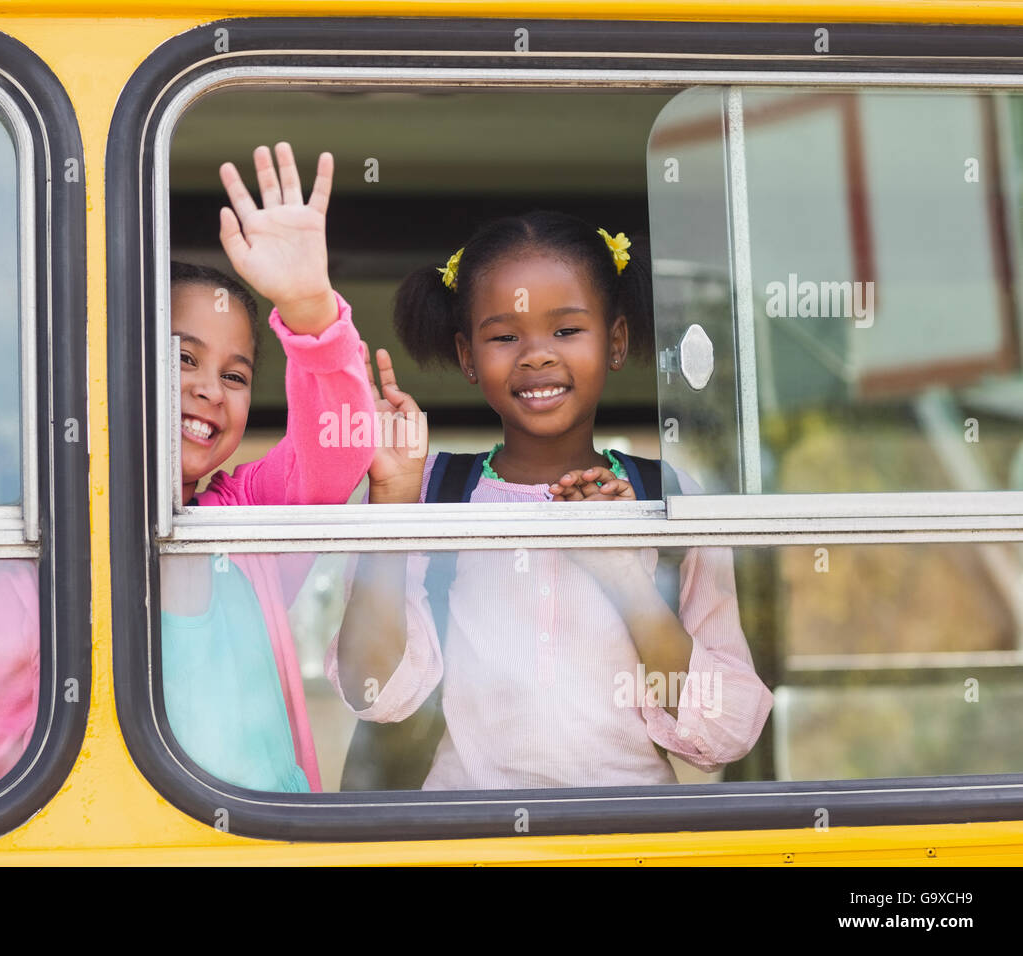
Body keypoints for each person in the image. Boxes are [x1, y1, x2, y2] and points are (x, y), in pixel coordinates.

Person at [0, 143, 374, 796]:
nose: (208, 390)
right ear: (118, 364)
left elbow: (339, 447)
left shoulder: (251, 521)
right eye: (182, 359)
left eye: (234, 376)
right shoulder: (38, 570)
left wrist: (310, 306)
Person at [329, 210, 773, 790]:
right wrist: (390, 501)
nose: (536, 355)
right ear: (468, 357)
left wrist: (627, 576)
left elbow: (723, 737)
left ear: (615, 342)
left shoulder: (669, 496)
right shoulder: (424, 490)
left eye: (566, 330)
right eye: (504, 336)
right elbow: (373, 692)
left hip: (633, 841)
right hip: (460, 840)